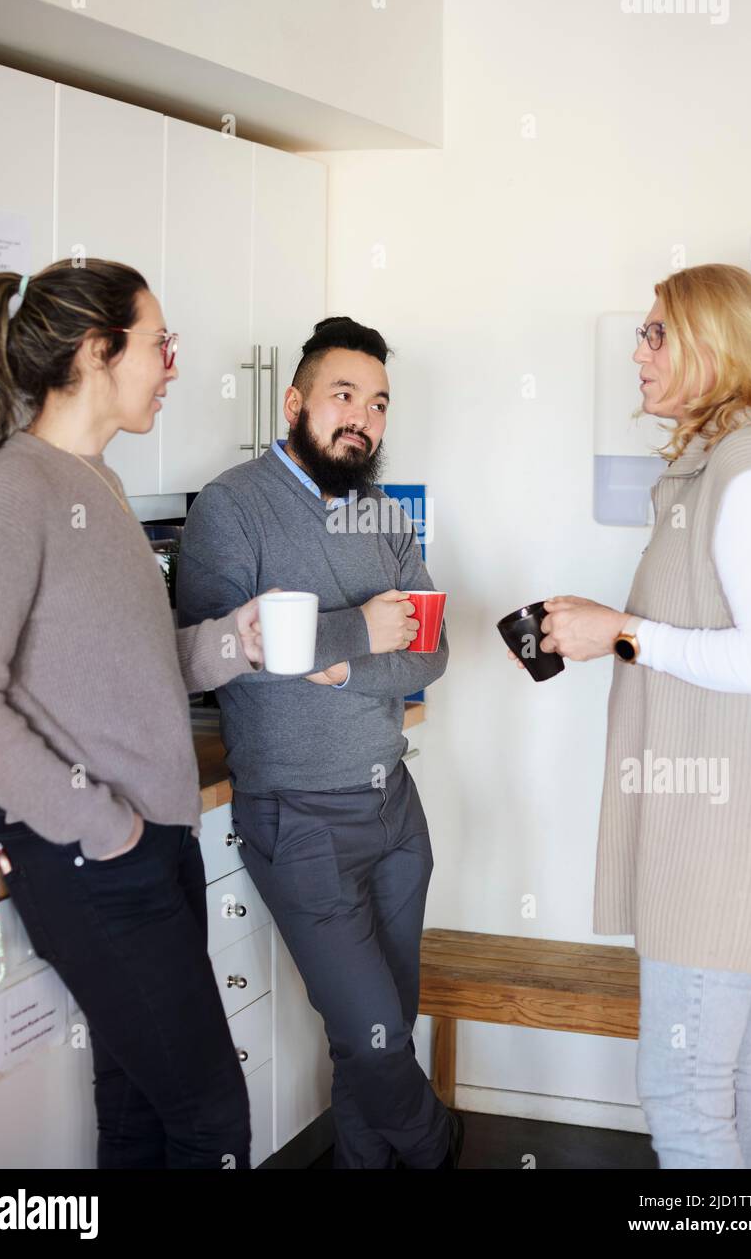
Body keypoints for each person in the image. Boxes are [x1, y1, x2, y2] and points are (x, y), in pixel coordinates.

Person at [0, 258, 268, 1169]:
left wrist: (233, 644)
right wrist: (100, 822)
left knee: (139, 1115)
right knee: (213, 1126)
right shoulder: (15, 494)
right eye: (159, 344)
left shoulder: (101, 486)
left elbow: (132, 668)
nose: (172, 365)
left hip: (148, 845)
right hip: (92, 860)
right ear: (97, 350)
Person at [509, 263, 751, 1168]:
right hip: (725, 831)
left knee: (683, 1092)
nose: (637, 352)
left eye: (656, 335)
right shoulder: (739, 462)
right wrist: (609, 632)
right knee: (725, 1080)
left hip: (714, 845)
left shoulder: (748, 470)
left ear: (713, 349)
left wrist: (623, 632)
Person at [177, 315, 461, 1169]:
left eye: (377, 403)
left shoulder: (380, 511)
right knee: (376, 1040)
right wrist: (366, 634)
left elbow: (435, 647)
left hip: (394, 811)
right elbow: (206, 657)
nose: (362, 419)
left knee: (376, 1028)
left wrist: (341, 666)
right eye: (344, 396)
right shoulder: (233, 508)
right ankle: (442, 1147)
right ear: (295, 400)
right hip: (298, 819)